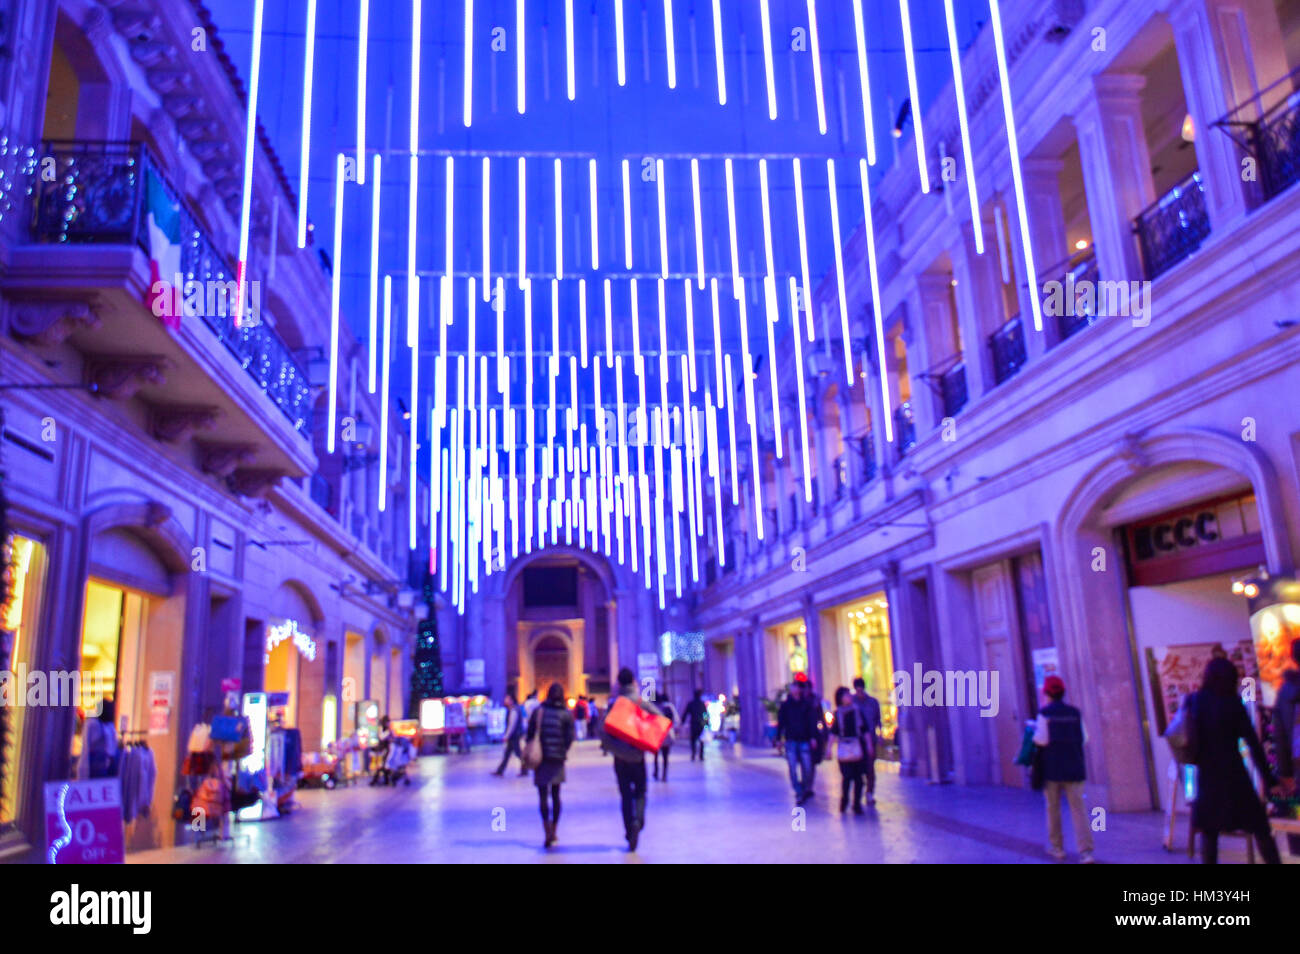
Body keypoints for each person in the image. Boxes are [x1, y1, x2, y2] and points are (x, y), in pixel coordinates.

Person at [1186, 657, 1281, 864]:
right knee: (1260, 828)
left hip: (1207, 778)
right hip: (1235, 776)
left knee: (1210, 834)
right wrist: (1269, 779)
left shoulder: (1194, 701)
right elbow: (1253, 744)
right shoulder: (1233, 704)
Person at [1032, 675, 1094, 863]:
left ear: (1047, 694)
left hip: (1052, 769)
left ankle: (1057, 848)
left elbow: (1041, 740)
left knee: (1053, 809)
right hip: (1074, 767)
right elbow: (1084, 738)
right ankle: (1086, 852)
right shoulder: (1075, 713)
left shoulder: (1045, 714)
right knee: (1079, 809)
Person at [600, 667, 663, 851]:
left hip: (620, 759)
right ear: (634, 681)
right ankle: (638, 820)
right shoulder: (640, 702)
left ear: (619, 684)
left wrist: (613, 748)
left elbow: (604, 730)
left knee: (625, 795)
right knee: (641, 791)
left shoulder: (614, 704)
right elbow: (659, 718)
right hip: (637, 757)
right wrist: (646, 738)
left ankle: (629, 830)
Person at [526, 682, 575, 849]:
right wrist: (562, 749)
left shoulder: (538, 712)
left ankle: (546, 830)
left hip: (541, 759)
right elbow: (570, 737)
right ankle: (554, 830)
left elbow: (530, 734)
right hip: (557, 759)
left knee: (542, 796)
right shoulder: (566, 714)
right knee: (556, 795)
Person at [1274, 638, 1300, 855]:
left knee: (1296, 809)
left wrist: (1284, 772)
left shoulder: (1285, 692)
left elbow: (1280, 735)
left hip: (1296, 764)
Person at [776, 677, 819, 804]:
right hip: (791, 740)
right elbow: (781, 723)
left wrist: (813, 737)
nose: (793, 689)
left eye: (795, 687)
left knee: (807, 768)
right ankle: (798, 790)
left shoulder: (807, 705)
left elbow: (811, 722)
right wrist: (779, 739)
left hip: (804, 739)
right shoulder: (785, 705)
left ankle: (806, 788)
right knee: (792, 768)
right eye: (792, 687)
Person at [831, 687, 868, 813]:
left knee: (859, 778)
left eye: (849, 694)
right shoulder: (838, 714)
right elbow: (833, 732)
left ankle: (856, 804)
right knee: (847, 777)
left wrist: (869, 745)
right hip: (844, 748)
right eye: (846, 695)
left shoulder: (857, 711)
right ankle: (844, 801)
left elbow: (864, 729)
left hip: (857, 747)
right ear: (840, 698)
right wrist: (829, 749)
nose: (849, 697)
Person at [852, 677, 883, 805]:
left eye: (860, 688)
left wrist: (880, 735)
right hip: (857, 741)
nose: (859, 691)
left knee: (870, 767)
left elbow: (877, 720)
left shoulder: (873, 702)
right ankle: (860, 791)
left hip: (870, 739)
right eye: (857, 688)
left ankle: (869, 792)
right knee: (858, 768)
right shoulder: (852, 703)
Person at [492, 694, 526, 776]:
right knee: (508, 754)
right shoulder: (514, 709)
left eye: (507, 699)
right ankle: (500, 770)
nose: (505, 700)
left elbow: (512, 724)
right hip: (514, 735)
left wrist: (506, 736)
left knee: (517, 753)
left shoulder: (514, 710)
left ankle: (525, 769)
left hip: (513, 736)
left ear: (511, 700)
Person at [653, 691, 678, 781]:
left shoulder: (654, 708)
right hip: (666, 734)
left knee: (655, 754)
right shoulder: (668, 707)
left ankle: (656, 771)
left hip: (656, 734)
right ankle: (664, 774)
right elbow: (674, 720)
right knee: (665, 756)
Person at [683, 689, 709, 761]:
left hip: (694, 724)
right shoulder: (702, 704)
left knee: (693, 740)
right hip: (701, 724)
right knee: (701, 739)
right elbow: (705, 714)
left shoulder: (691, 703)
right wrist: (706, 723)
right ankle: (701, 755)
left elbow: (686, 713)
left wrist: (682, 721)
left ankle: (694, 754)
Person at [369, 716, 393, 786]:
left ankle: (383, 780)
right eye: (388, 722)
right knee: (381, 764)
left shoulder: (387, 729)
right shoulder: (383, 729)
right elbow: (381, 737)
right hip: (382, 749)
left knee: (384, 764)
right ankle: (378, 780)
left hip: (386, 749)